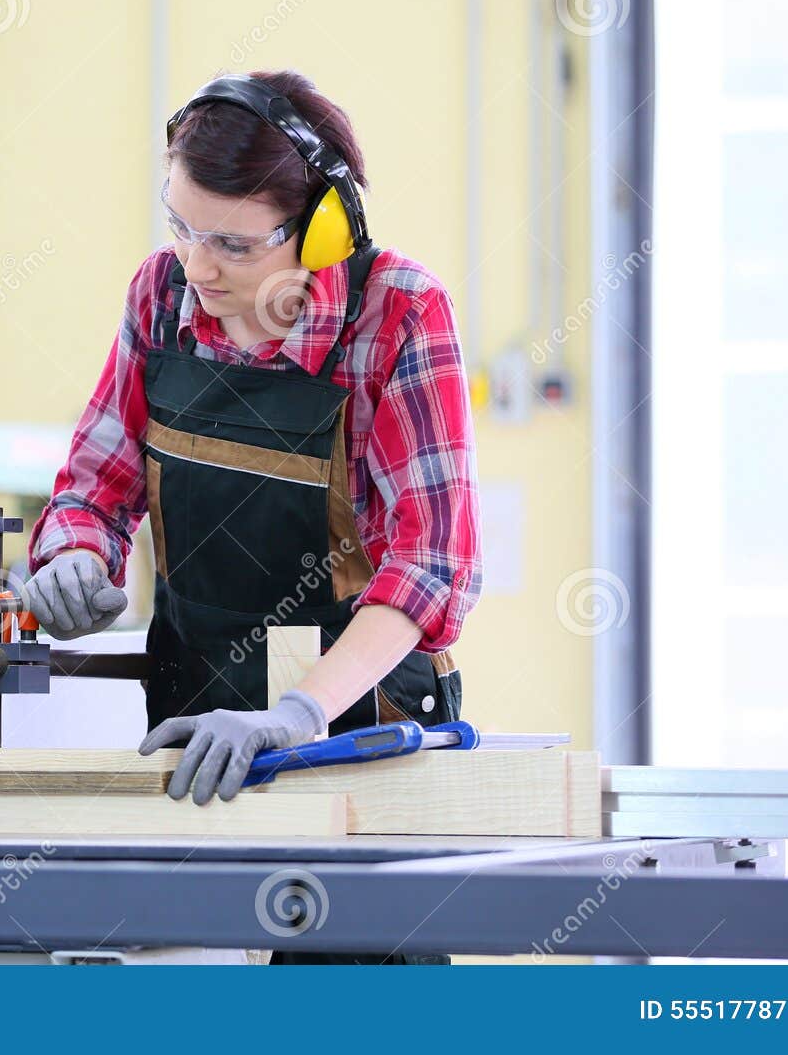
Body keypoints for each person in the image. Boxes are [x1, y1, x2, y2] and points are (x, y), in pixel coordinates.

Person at [24, 68, 481, 818]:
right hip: (190, 736)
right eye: (181, 226)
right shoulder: (161, 294)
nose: (198, 266)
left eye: (232, 245)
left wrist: (300, 714)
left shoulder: (397, 313)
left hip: (359, 738)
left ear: (322, 228)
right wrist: (75, 555)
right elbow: (97, 484)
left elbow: (434, 565)